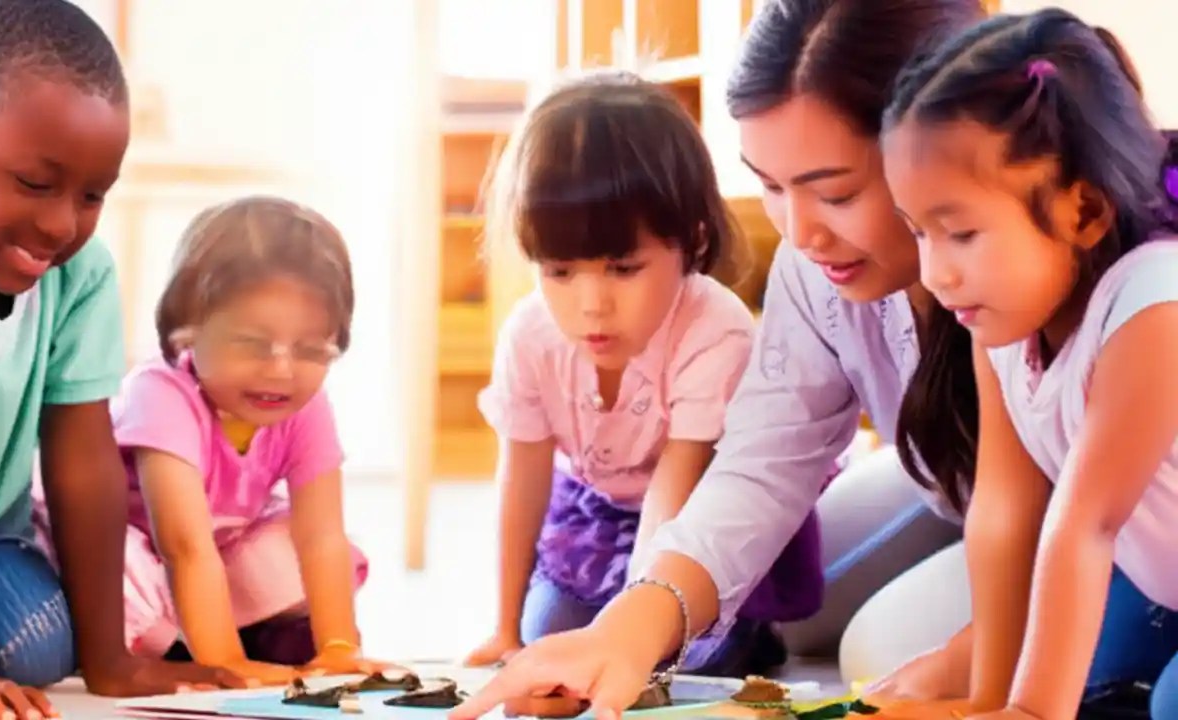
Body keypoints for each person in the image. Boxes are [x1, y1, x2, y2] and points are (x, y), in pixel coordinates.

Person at [448, 2, 992, 717]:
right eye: (769, 185)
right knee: (778, 604)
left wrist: (974, 656)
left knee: (879, 651)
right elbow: (764, 461)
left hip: (1085, 529)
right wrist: (629, 626)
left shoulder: (1021, 271)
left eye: (836, 192)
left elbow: (1098, 521)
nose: (800, 233)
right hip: (946, 481)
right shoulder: (811, 267)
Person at [0, 1, 241, 718]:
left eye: (92, 196)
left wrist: (109, 661)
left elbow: (83, 461)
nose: (61, 224)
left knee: (39, 650)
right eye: (33, 183)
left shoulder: (80, 276)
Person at [460, 71, 824, 679]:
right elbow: (522, 476)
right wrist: (503, 627)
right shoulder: (530, 335)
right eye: (559, 271)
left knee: (696, 656)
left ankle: (752, 629)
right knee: (542, 631)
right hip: (596, 514)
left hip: (699, 519)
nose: (591, 306)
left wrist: (633, 633)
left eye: (623, 268)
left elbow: (674, 489)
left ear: (691, 240)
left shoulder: (714, 329)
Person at [882, 8, 1178, 719]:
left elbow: (1086, 522)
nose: (935, 272)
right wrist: (990, 696)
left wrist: (1030, 713)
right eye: (918, 231)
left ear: (1083, 211)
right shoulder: (1005, 323)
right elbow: (1007, 509)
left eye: (960, 233)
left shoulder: (1153, 303)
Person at [51, 196, 388, 683]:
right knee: (120, 576)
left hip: (216, 553)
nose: (281, 370)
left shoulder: (306, 404)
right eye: (251, 344)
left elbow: (322, 536)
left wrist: (338, 648)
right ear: (187, 333)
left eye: (312, 349)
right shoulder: (161, 391)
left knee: (291, 542)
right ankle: (194, 647)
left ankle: (236, 636)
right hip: (146, 552)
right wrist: (223, 663)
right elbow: (182, 545)